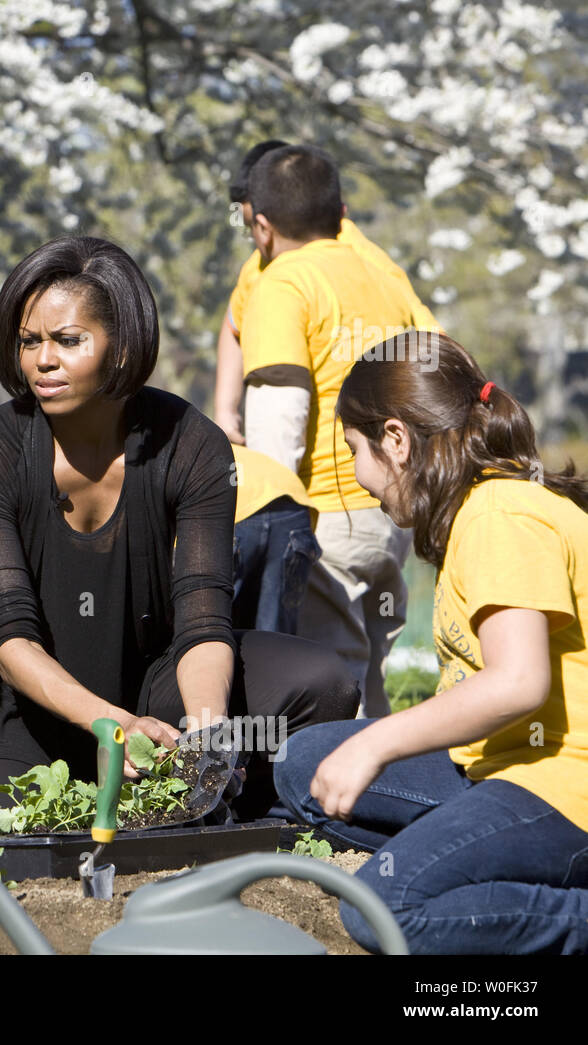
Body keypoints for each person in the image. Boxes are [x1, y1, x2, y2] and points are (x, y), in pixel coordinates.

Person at [0, 236, 359, 823]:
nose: (42, 361)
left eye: (68, 341)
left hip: (144, 680)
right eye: (29, 342)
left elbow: (203, 618)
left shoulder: (192, 443)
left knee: (322, 682)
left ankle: (207, 792)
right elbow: (9, 642)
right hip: (9, 702)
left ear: (122, 347)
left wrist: (206, 736)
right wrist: (112, 725)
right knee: (28, 821)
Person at [273, 332, 588, 955]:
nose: (359, 476)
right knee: (302, 765)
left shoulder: (501, 516)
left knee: (384, 914)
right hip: (504, 762)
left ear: (396, 440)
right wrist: (363, 747)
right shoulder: (478, 508)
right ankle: (485, 859)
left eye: (354, 450)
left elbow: (518, 682)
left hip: (565, 781)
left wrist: (377, 744)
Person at [241, 144, 436, 718]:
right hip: (394, 513)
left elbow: (282, 408)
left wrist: (273, 514)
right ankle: (387, 795)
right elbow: (438, 361)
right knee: (372, 671)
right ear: (339, 213)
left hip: (328, 516)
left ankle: (336, 799)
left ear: (261, 224)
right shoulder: (383, 275)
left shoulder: (283, 283)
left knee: (332, 682)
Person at [213, 139, 438, 444]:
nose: (253, 234)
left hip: (335, 466)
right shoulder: (258, 266)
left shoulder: (360, 260)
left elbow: (435, 346)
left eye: (251, 222)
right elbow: (233, 323)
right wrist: (226, 413)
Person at [229, 444, 319, 634]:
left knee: (207, 632)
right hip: (293, 499)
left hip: (237, 507)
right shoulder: (222, 445)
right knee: (275, 638)